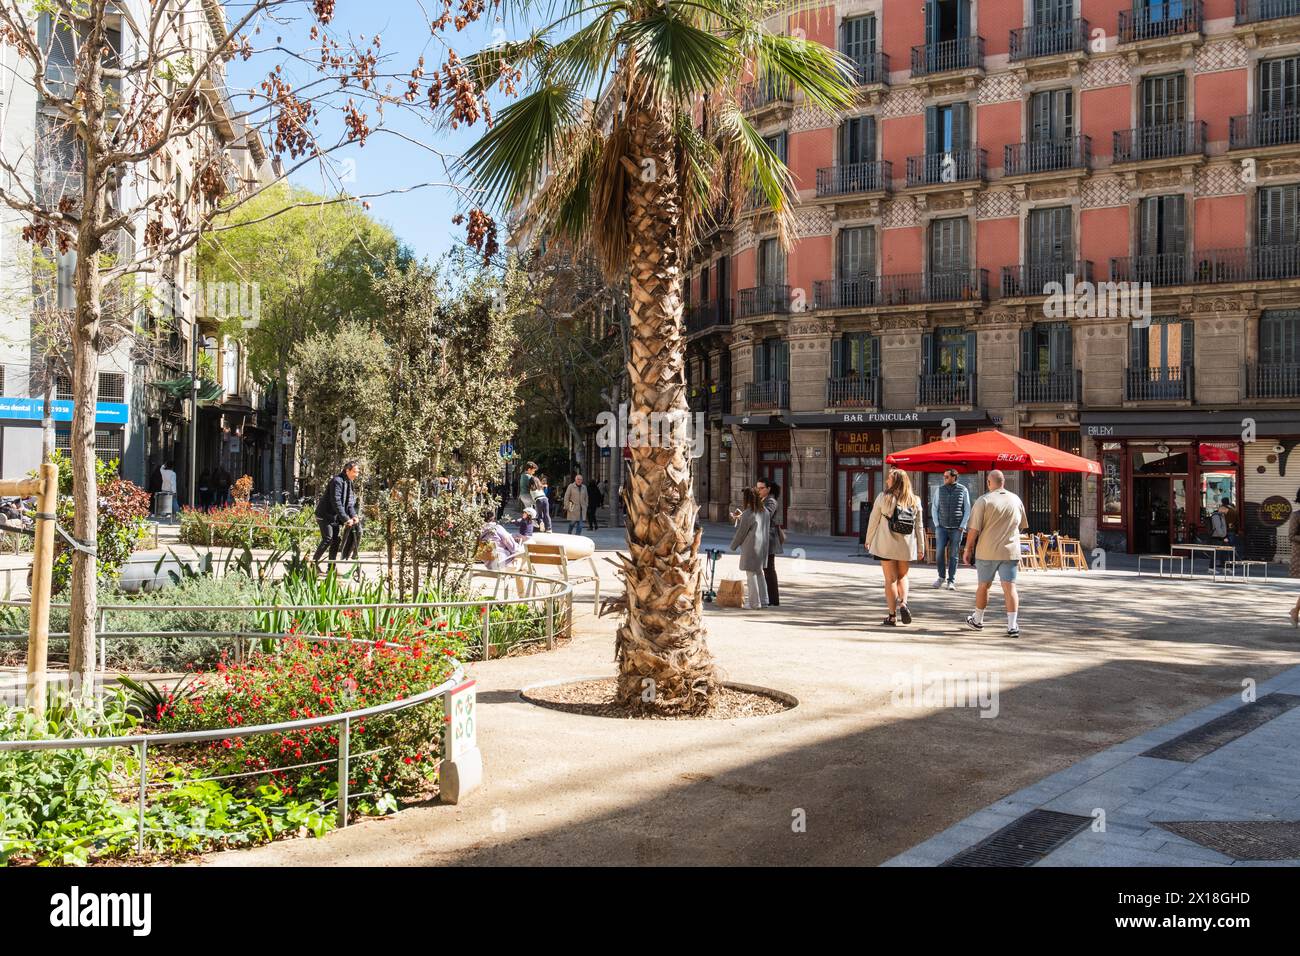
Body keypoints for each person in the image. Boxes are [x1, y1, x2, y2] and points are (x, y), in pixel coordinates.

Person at [963, 469, 1030, 638]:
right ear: (1003, 482)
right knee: (1010, 587)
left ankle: (978, 620)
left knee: (984, 586)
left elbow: (973, 529)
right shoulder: (1016, 499)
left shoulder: (983, 500)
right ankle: (1012, 625)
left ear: (988, 482)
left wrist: (968, 549)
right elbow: (1021, 525)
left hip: (986, 551)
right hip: (1010, 551)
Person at [866, 469, 925, 626]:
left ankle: (892, 616)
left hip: (886, 544)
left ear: (895, 482)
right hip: (906, 545)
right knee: (903, 577)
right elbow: (919, 526)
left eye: (889, 479)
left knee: (890, 580)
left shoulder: (883, 498)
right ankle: (904, 603)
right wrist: (921, 547)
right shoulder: (915, 500)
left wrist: (868, 539)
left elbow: (873, 519)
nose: (887, 481)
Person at [729, 487, 769, 609]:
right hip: (763, 546)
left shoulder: (748, 513)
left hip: (751, 547)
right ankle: (764, 600)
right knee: (759, 572)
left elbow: (742, 532)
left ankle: (754, 603)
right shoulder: (765, 511)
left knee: (751, 574)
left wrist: (733, 546)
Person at [313, 460, 359, 566]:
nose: (357, 475)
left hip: (334, 517)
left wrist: (353, 515)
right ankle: (312, 566)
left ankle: (331, 568)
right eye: (355, 472)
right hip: (324, 515)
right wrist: (346, 519)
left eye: (357, 472)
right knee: (328, 539)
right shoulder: (337, 481)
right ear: (347, 470)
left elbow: (350, 503)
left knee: (335, 541)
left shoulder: (349, 482)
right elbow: (336, 502)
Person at [931, 469, 971, 591]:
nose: (944, 478)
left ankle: (951, 581)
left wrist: (962, 526)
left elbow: (967, 509)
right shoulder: (939, 490)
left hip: (956, 528)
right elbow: (934, 507)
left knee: (954, 555)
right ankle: (941, 577)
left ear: (954, 477)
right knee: (939, 554)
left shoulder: (963, 490)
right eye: (944, 476)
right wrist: (937, 524)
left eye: (947, 476)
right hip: (941, 528)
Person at [755, 479, 783, 607]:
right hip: (764, 537)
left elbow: (765, 516)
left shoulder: (771, 501)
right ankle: (767, 597)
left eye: (761, 488)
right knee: (765, 569)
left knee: (769, 569)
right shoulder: (762, 500)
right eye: (757, 488)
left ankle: (773, 599)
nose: (758, 490)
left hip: (769, 538)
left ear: (768, 488)